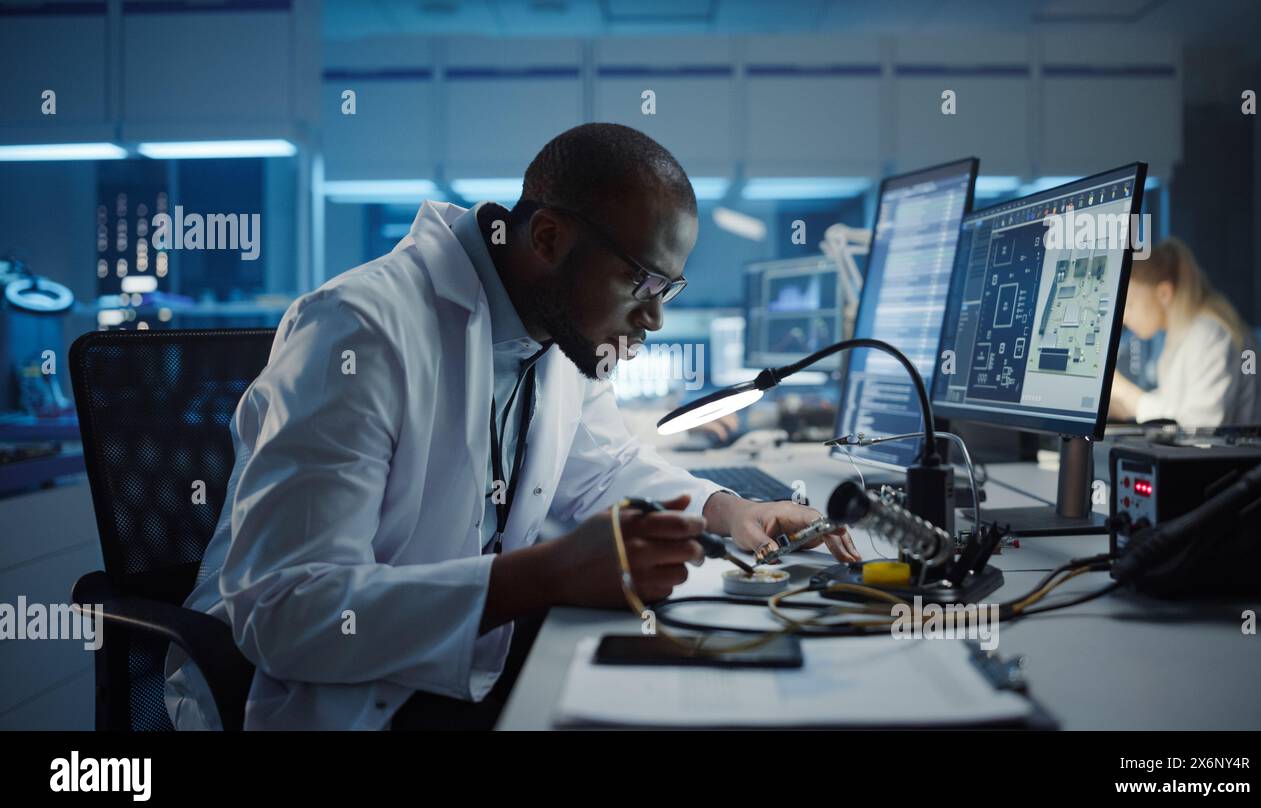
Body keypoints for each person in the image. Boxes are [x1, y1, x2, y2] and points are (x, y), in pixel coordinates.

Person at [163, 123, 860, 730]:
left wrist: (728, 507)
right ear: (549, 237)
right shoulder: (357, 330)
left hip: (462, 667)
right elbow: (287, 611)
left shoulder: (556, 333)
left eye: (666, 289)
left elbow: (606, 467)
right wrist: (545, 574)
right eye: (641, 281)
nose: (654, 318)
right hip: (333, 697)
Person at [1108, 238, 1261, 427]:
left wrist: (1124, 392)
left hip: (1254, 454)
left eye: (1129, 304)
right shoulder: (1182, 335)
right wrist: (1123, 405)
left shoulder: (1208, 334)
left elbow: (1198, 427)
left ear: (1164, 293)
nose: (1123, 317)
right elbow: (1178, 404)